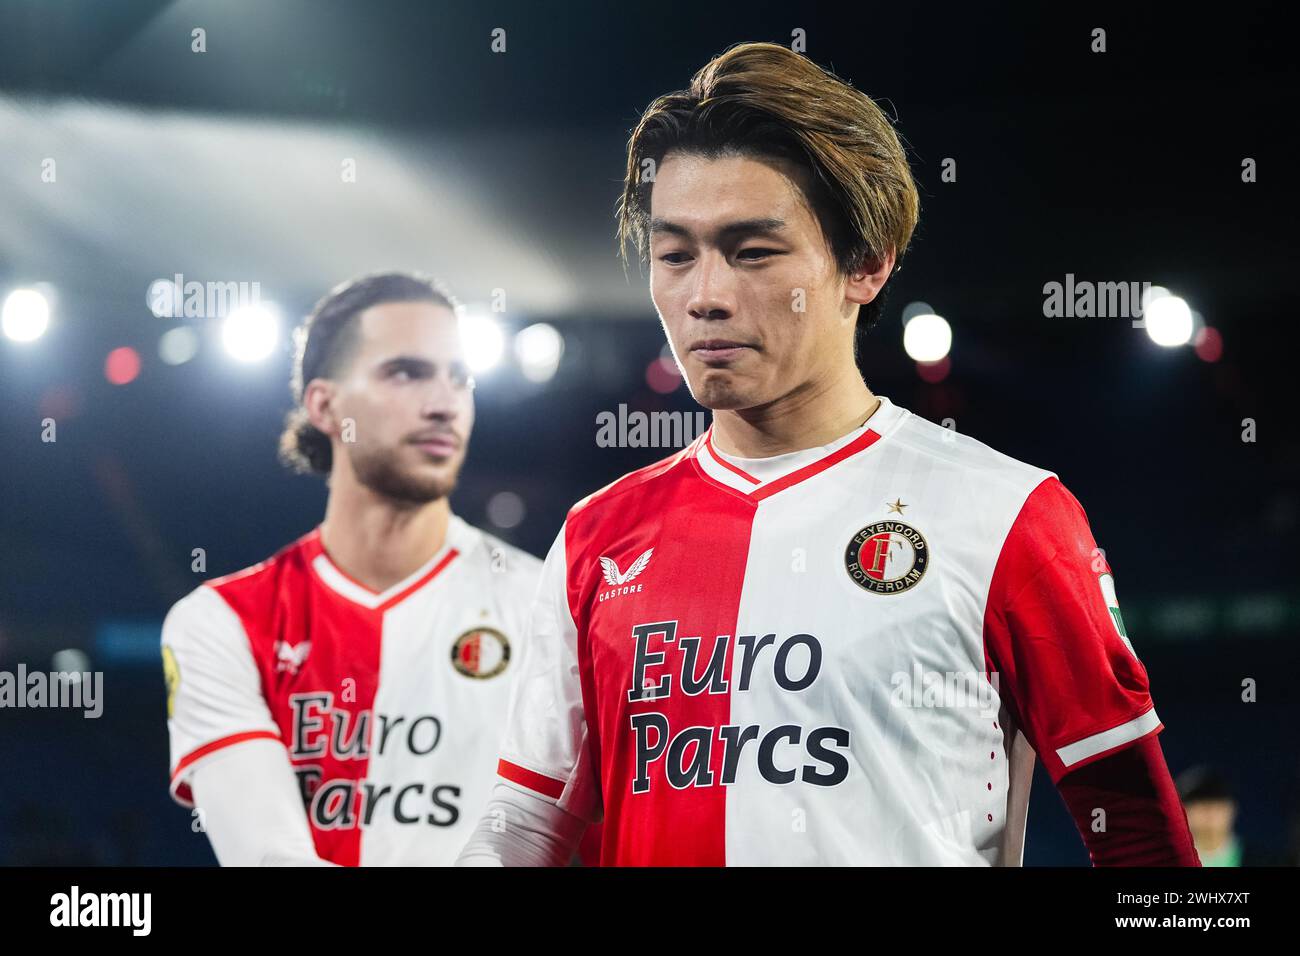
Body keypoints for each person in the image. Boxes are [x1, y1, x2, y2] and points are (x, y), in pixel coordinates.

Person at [458, 42, 1197, 866]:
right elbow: (524, 823)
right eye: (675, 255)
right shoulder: (597, 538)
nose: (705, 294)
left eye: (752, 252)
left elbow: (1136, 835)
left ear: (866, 263)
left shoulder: (1008, 518)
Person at [162, 272, 541, 865]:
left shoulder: (546, 603)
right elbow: (271, 858)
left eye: (459, 378)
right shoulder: (221, 622)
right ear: (324, 404)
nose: (444, 404)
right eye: (406, 372)